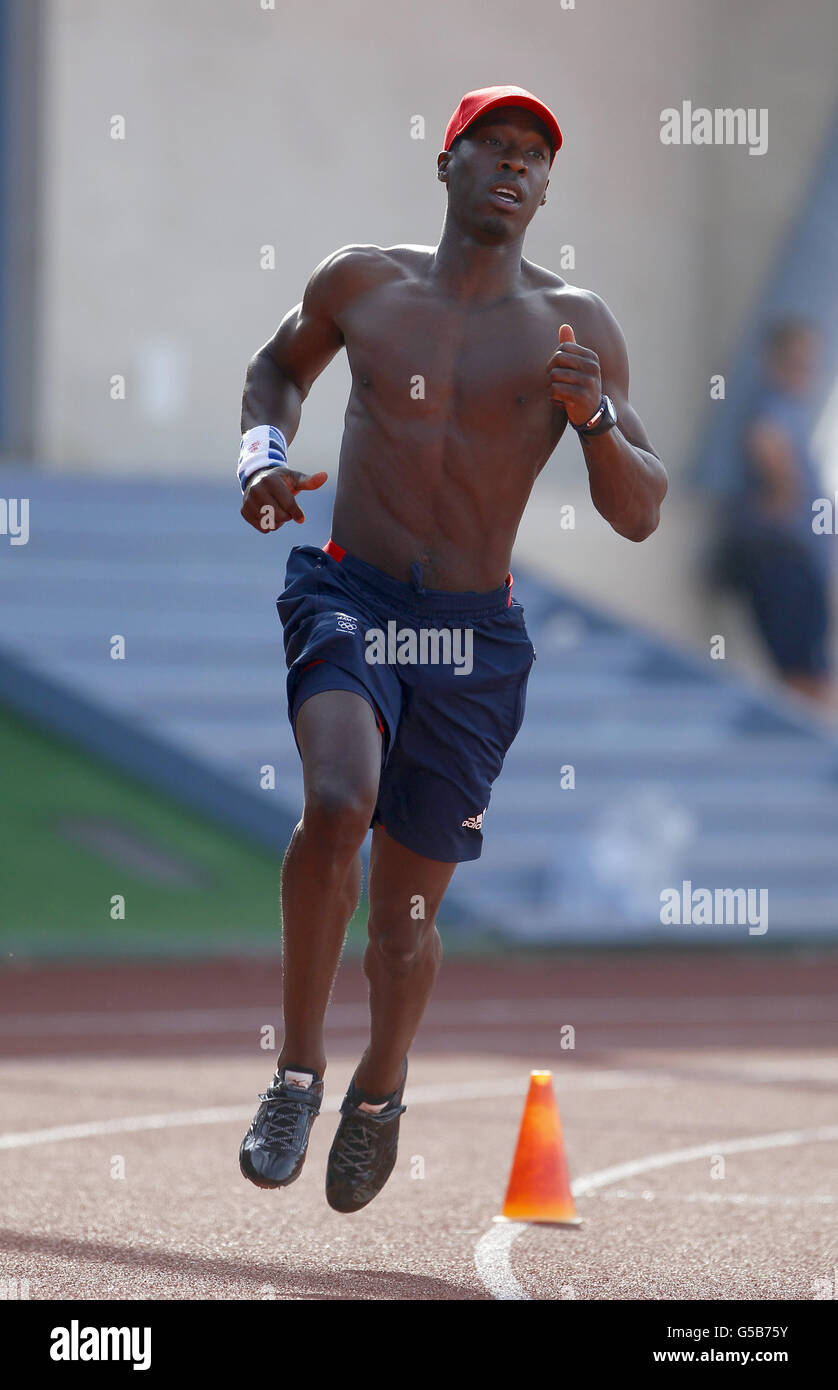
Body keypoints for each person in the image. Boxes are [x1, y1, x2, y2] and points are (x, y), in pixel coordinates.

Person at [235, 85, 667, 1213]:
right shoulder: (361, 282)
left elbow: (641, 512)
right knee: (336, 798)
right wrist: (261, 454)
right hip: (352, 594)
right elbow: (274, 366)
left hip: (473, 635)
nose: (515, 168)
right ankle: (296, 1069)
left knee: (406, 922)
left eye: (534, 156)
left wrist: (599, 421)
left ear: (543, 187)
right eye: (495, 148)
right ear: (449, 164)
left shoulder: (577, 327)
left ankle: (380, 1085)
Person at [719, 320, 832, 706]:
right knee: (803, 679)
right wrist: (787, 493)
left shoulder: (793, 408)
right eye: (797, 362)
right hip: (783, 559)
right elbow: (765, 441)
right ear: (775, 362)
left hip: (797, 560)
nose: (805, 371)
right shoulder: (772, 405)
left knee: (814, 674)